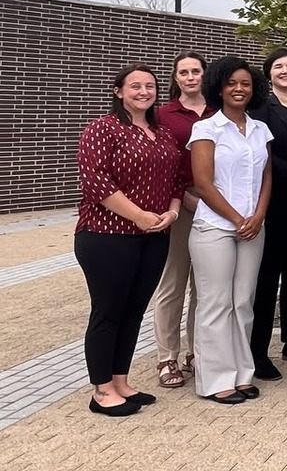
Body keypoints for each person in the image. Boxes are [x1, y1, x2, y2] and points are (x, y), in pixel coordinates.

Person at [76, 64, 182, 416]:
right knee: (108, 311)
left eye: (150, 86)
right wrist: (140, 216)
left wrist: (172, 211)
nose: (143, 92)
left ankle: (120, 380)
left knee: (134, 310)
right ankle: (101, 389)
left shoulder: (162, 133)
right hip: (107, 236)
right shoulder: (103, 129)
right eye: (135, 86)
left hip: (154, 236)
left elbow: (177, 180)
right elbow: (96, 183)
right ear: (119, 91)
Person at [187, 56, 273, 404]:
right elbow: (203, 184)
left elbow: (267, 178)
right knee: (216, 303)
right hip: (215, 228)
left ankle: (241, 374)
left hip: (254, 227)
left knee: (243, 303)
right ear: (218, 88)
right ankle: (214, 380)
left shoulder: (260, 130)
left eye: (246, 84)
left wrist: (258, 216)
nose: (239, 89)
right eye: (232, 83)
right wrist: (239, 219)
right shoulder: (206, 129)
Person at [249, 48, 287, 380]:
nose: (285, 70)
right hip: (275, 203)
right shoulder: (263, 109)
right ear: (269, 74)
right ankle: (257, 352)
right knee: (267, 279)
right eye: (278, 67)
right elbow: (264, 155)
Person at [152, 51, 211, 389]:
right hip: (178, 204)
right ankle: (166, 357)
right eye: (183, 72)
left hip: (213, 205)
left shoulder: (218, 112)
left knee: (204, 286)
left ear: (204, 75)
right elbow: (163, 162)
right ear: (175, 78)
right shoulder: (163, 114)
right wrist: (183, 197)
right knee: (173, 283)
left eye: (195, 71)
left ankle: (196, 352)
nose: (190, 77)